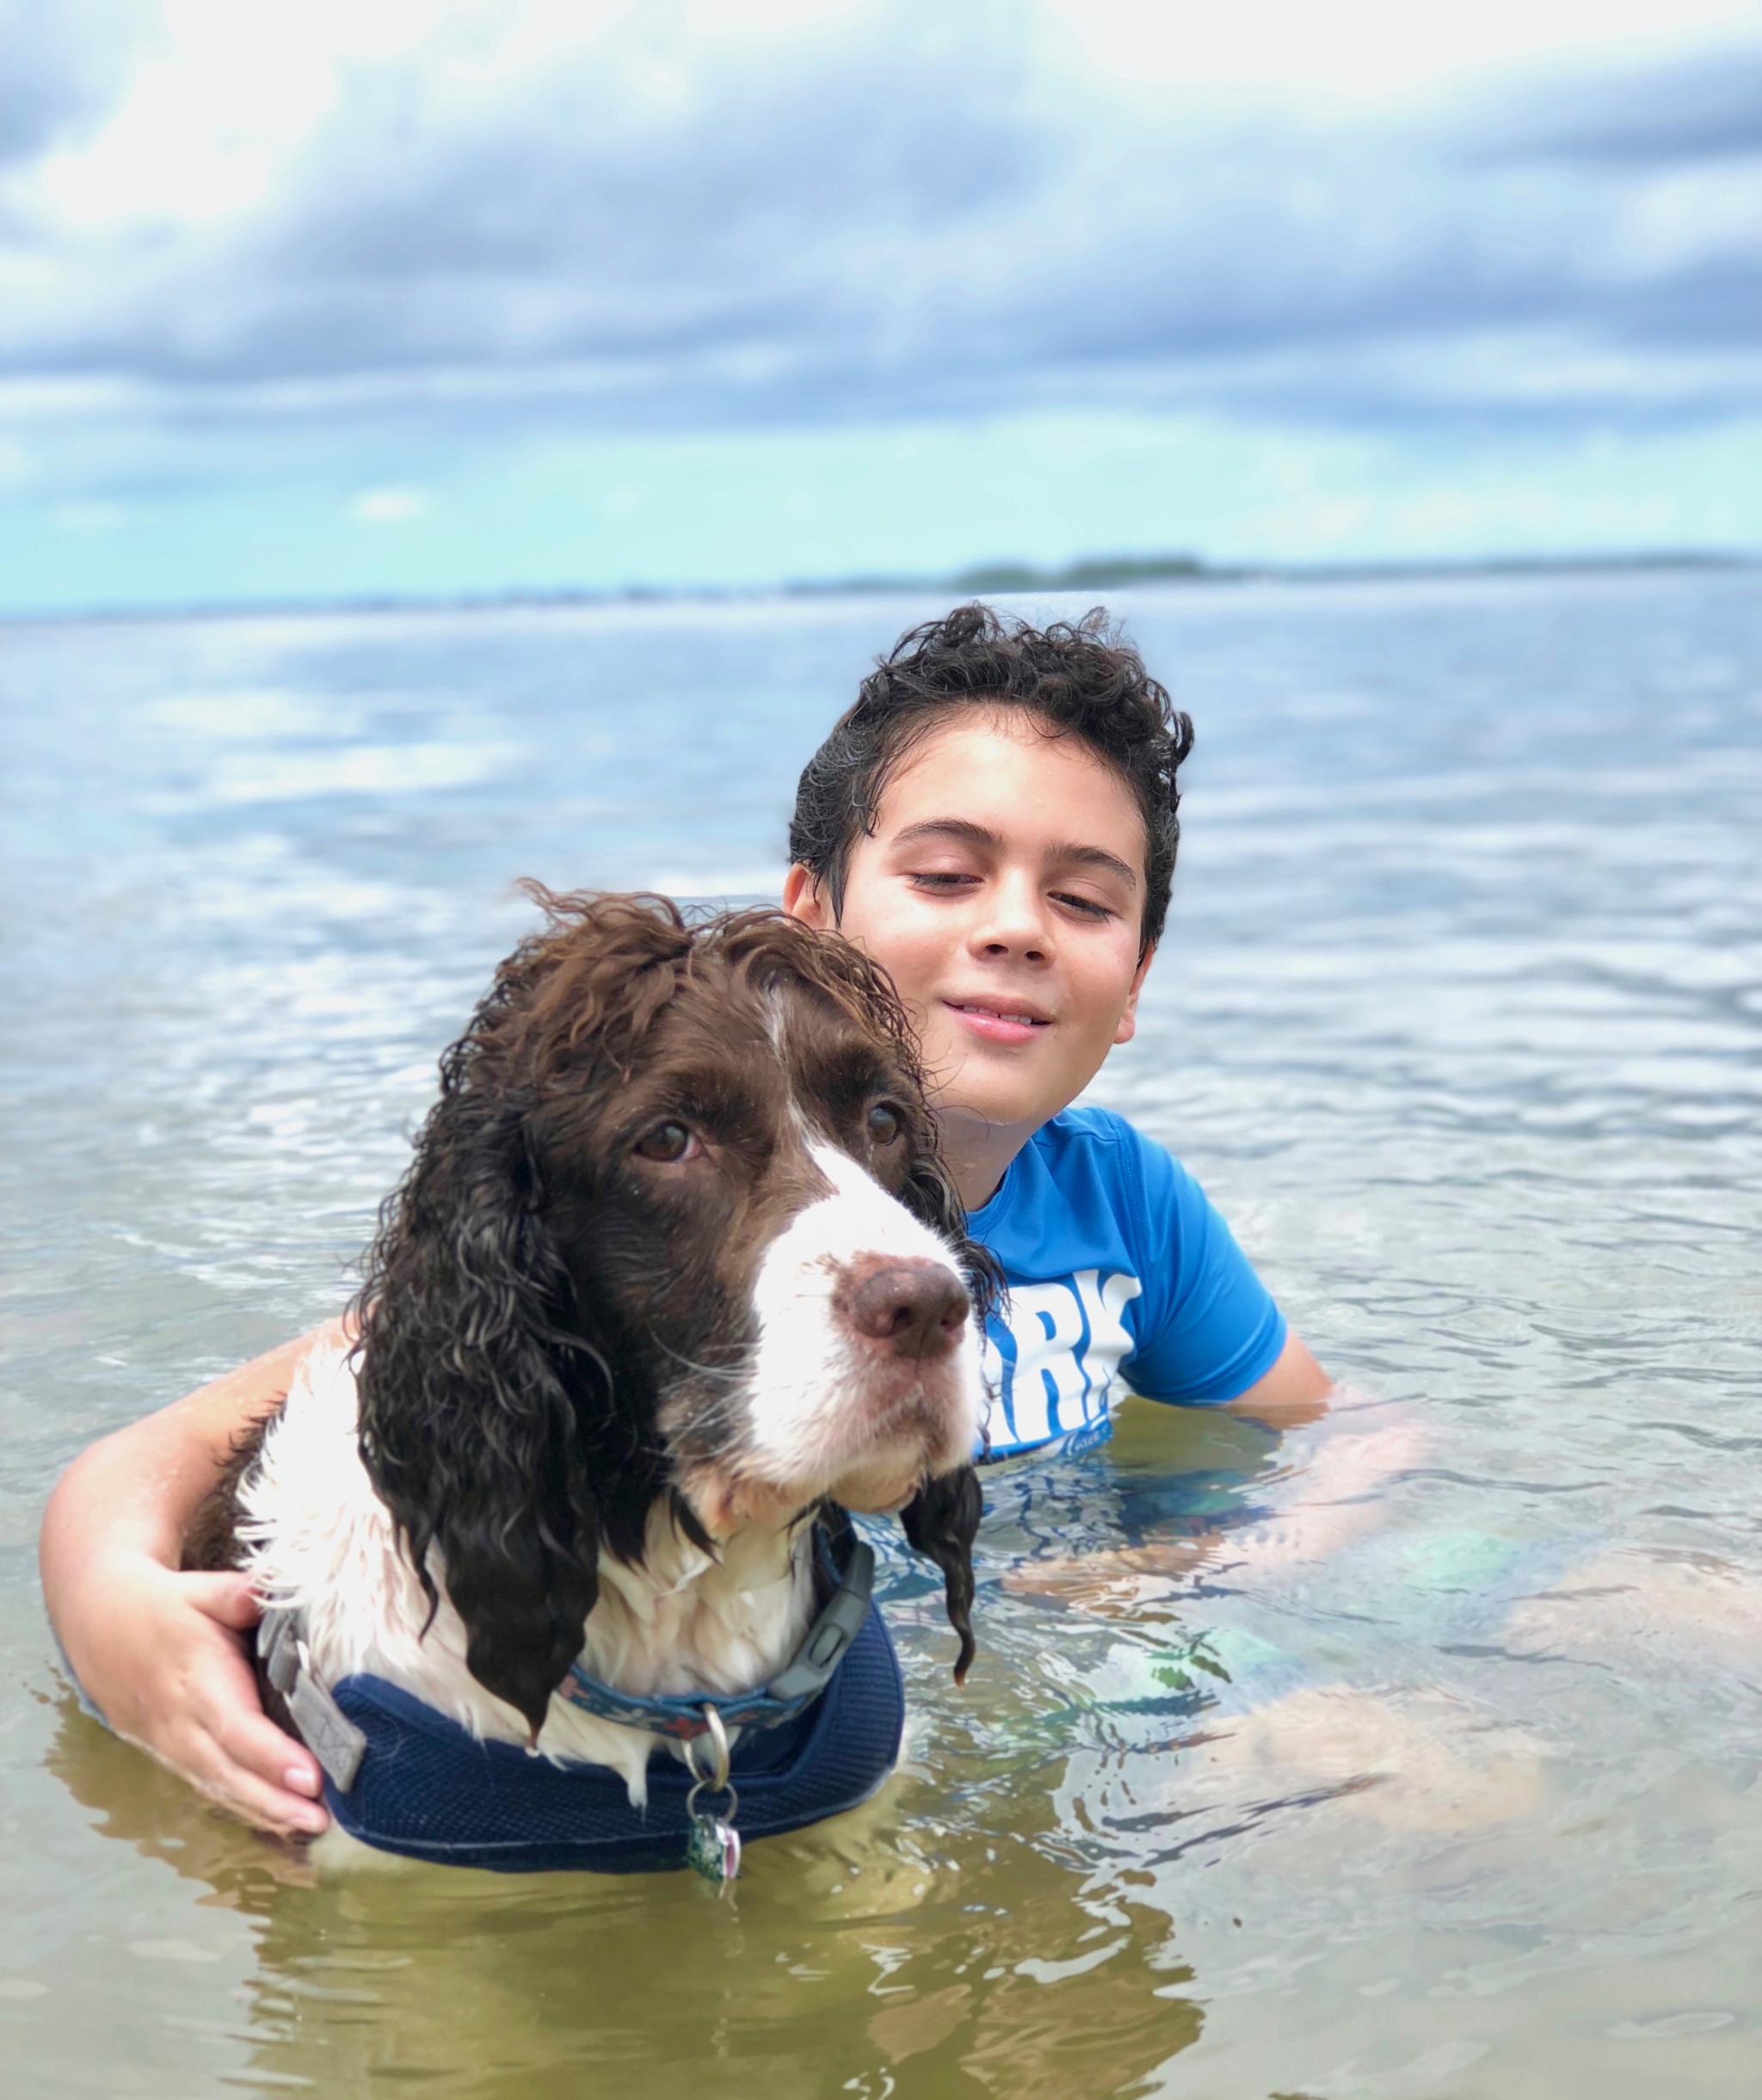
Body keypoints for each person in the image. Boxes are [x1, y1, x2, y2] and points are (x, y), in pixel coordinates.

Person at [38, 604, 1329, 1838]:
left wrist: (1188, 1569)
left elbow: (1331, 1438)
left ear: (1136, 979)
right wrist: (111, 1604)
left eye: (1085, 902)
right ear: (807, 920)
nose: (1014, 929)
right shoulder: (583, 1244)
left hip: (1022, 1668)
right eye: (946, 874)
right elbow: (183, 1446)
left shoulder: (1127, 1201)